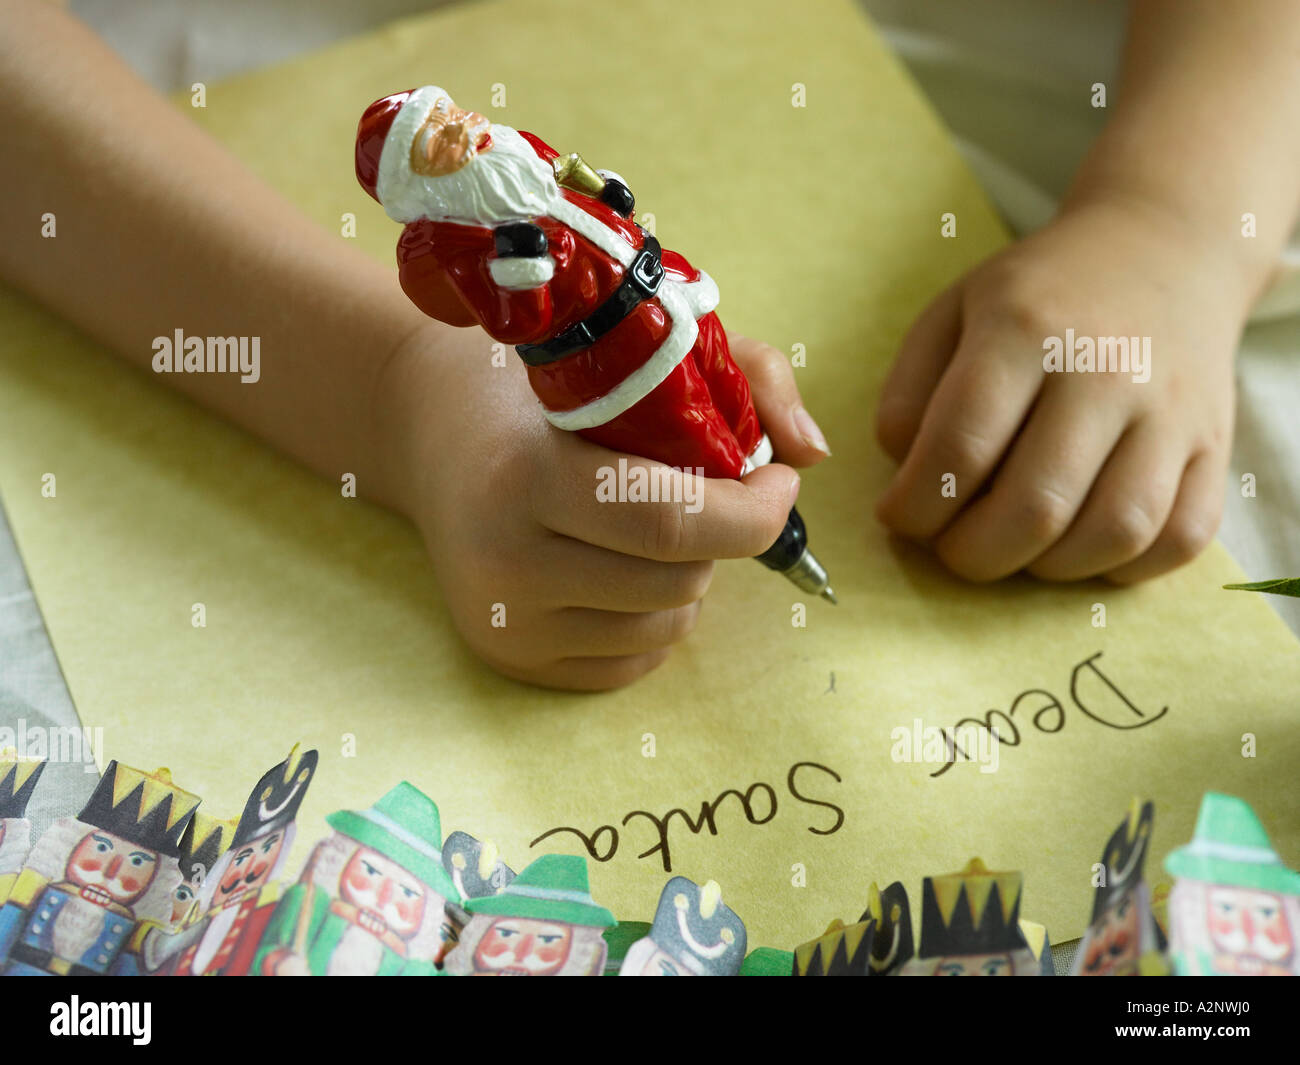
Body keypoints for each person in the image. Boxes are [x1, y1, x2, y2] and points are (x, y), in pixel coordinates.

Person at [4, 2, 1299, 691]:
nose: (461, 149)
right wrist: (397, 394)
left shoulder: (546, 177)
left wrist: (1174, 217)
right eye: (433, 156)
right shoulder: (463, 247)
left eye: (450, 131)